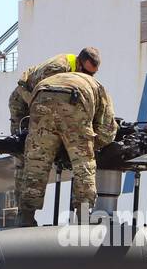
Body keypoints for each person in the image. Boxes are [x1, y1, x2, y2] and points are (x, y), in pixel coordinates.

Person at [16, 70, 117, 225]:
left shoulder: (56, 77)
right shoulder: (98, 87)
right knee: (84, 164)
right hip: (73, 100)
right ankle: (83, 216)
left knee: (36, 162)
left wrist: (56, 144)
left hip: (41, 95)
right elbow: (107, 131)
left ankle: (26, 216)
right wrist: (87, 146)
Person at [8, 49, 101, 214]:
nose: (88, 76)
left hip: (44, 106)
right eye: (86, 72)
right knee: (27, 156)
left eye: (91, 74)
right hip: (25, 103)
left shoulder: (81, 79)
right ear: (79, 62)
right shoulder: (57, 68)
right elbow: (40, 97)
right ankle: (23, 211)